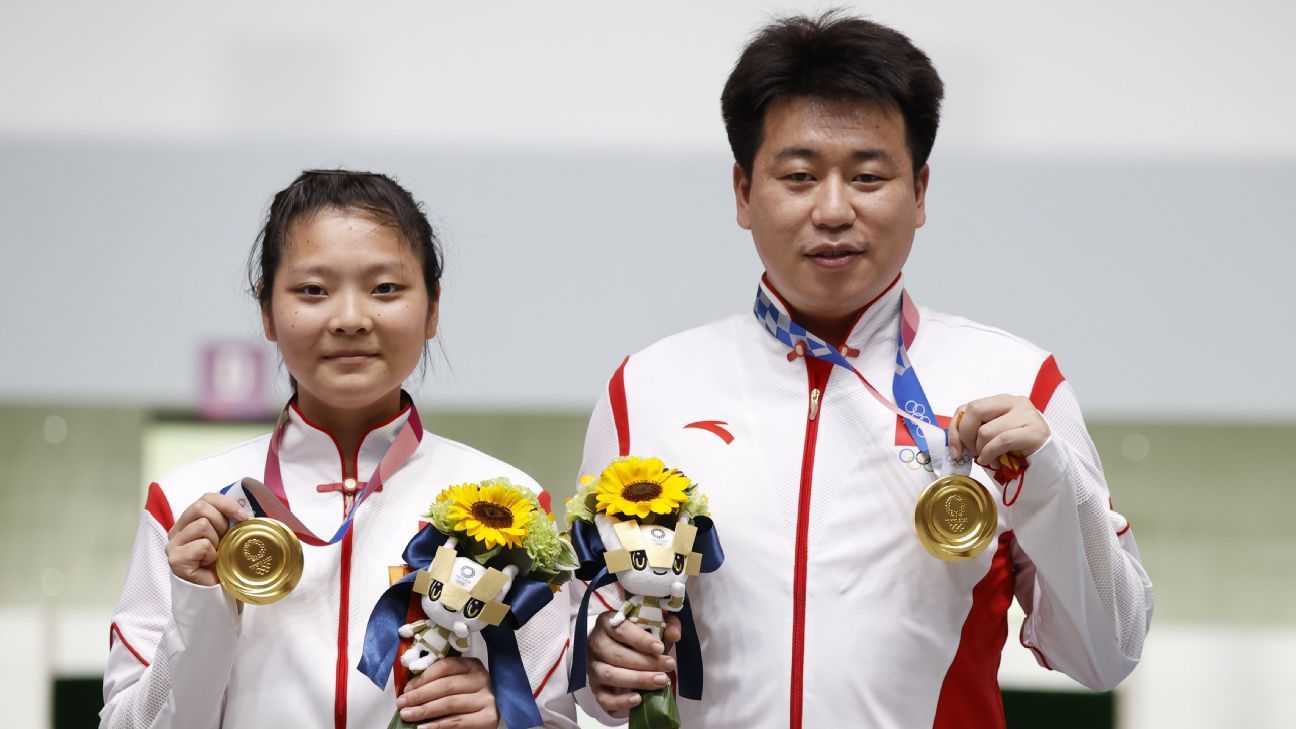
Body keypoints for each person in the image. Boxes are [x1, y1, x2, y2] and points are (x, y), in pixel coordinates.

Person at [572, 12, 1153, 729]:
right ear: (743, 192)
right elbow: (585, 673)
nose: (835, 208)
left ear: (921, 191)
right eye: (800, 175)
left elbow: (1109, 654)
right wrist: (597, 661)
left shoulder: (1016, 381)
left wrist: (1052, 483)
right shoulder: (649, 387)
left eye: (869, 175)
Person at [101, 170, 577, 729]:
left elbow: (557, 713)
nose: (350, 319)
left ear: (432, 309)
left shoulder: (511, 506)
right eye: (312, 291)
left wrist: (503, 720)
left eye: (385, 289)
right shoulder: (184, 507)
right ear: (266, 312)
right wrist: (199, 606)